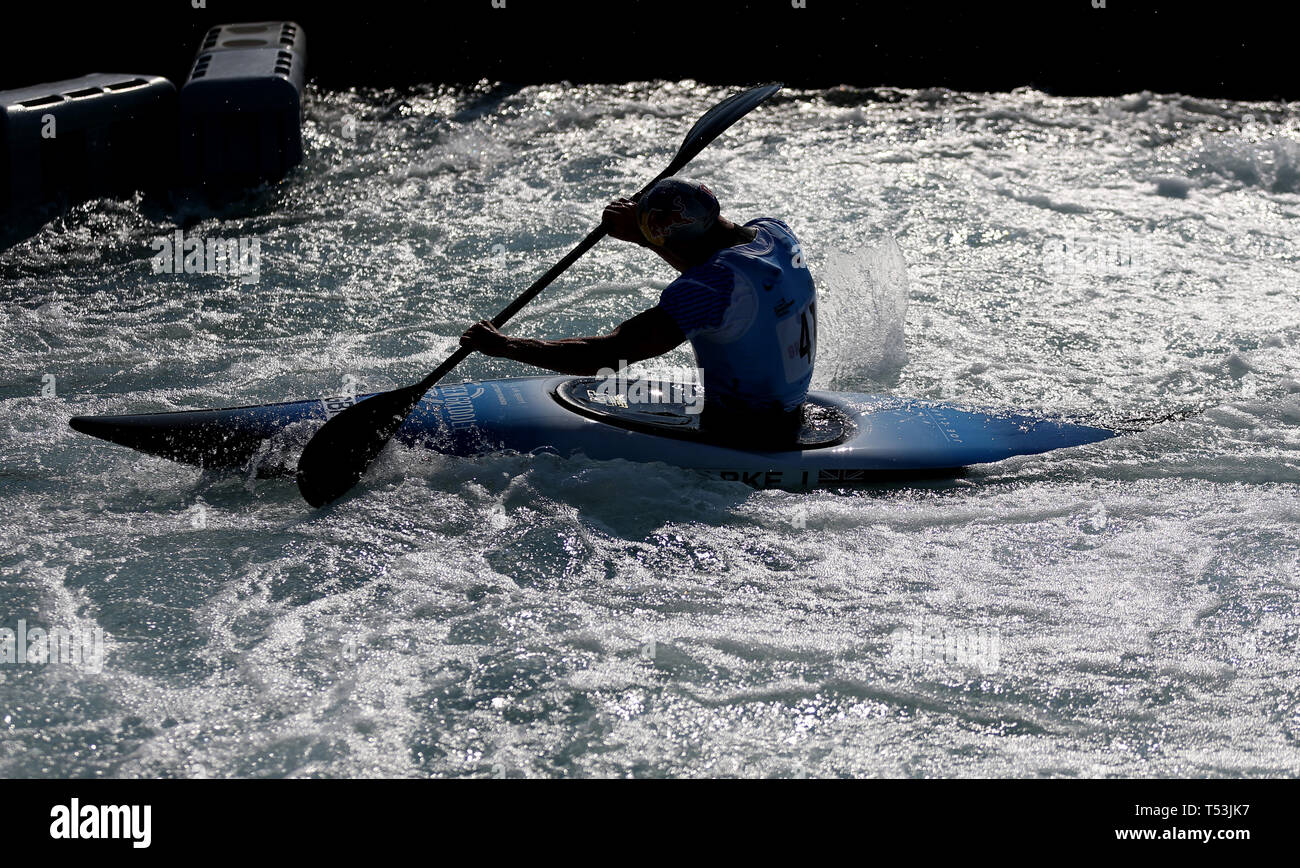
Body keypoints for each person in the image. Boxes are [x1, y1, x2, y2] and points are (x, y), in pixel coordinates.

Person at [460, 179, 817, 447]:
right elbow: (718, 267)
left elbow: (604, 358)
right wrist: (646, 235)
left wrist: (506, 346)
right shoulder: (775, 233)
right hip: (788, 411)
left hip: (743, 431)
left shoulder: (707, 287)